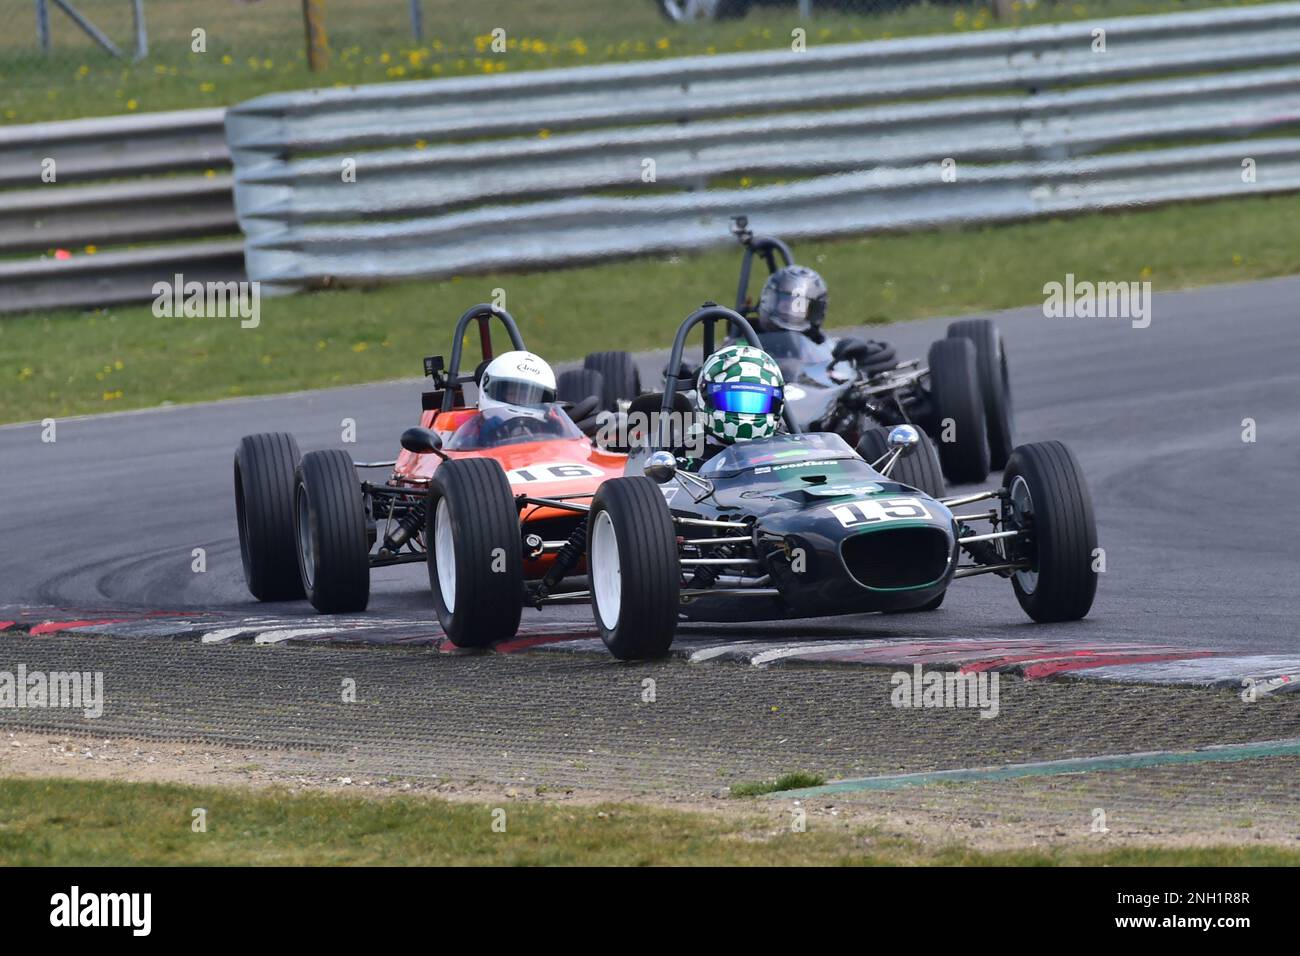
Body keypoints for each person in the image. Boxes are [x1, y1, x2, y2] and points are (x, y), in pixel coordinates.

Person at [755, 265, 894, 369]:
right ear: (769, 302)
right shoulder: (743, 341)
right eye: (785, 306)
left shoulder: (825, 348)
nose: (791, 315)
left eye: (801, 310)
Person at [680, 344, 785, 469]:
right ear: (705, 398)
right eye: (733, 401)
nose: (746, 415)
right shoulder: (688, 458)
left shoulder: (787, 451)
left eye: (756, 403)